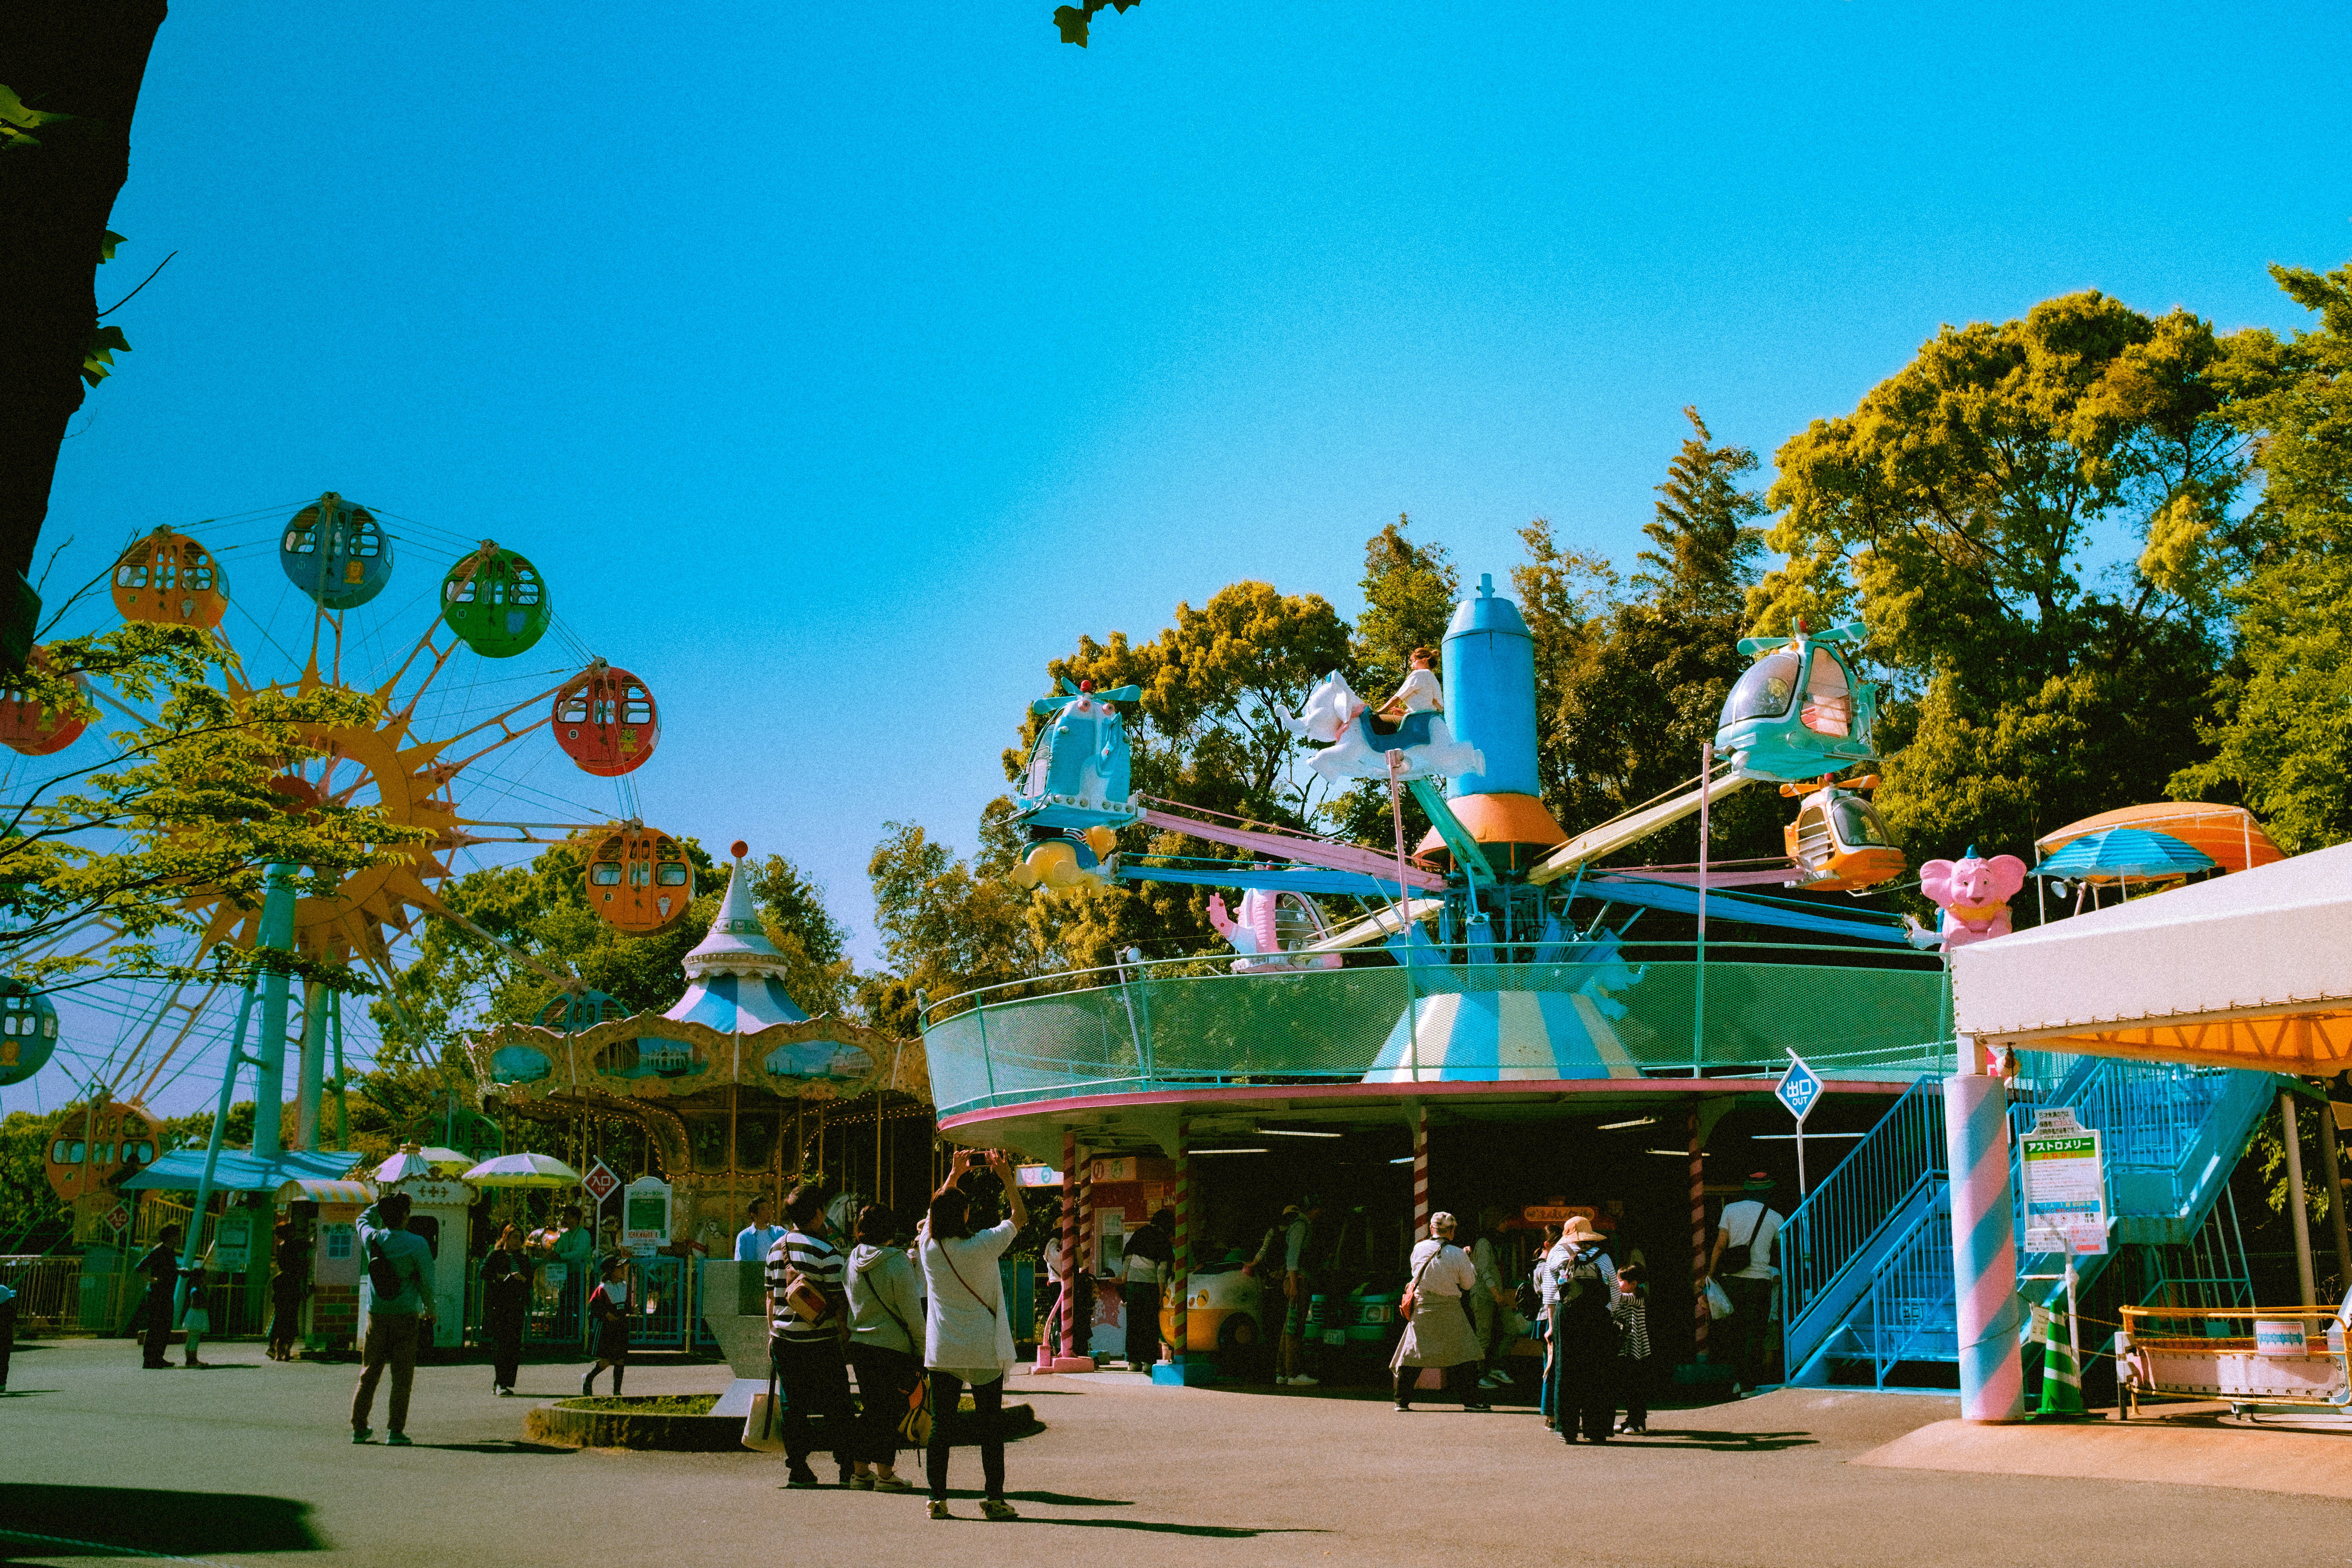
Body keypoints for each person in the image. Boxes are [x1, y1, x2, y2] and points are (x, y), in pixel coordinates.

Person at [918, 1149, 1026, 1521]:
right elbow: (1019, 1218)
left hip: (943, 1348)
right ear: (965, 1215)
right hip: (982, 1348)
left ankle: (937, 1498)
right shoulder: (983, 1245)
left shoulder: (929, 1248)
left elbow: (929, 1220)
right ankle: (994, 1498)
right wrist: (1007, 1178)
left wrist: (952, 1176)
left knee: (941, 1426)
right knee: (990, 1427)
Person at [766, 1182, 855, 1488]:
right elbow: (840, 1304)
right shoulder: (828, 1253)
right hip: (821, 1342)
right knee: (838, 1404)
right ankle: (846, 1465)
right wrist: (845, 1341)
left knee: (793, 1404)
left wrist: (772, 1332)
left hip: (784, 1339)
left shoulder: (775, 1249)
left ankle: (799, 1467)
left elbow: (770, 1296)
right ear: (819, 1213)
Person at [844, 1203, 922, 1493]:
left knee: (873, 1408)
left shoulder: (851, 1259)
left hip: (860, 1345)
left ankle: (860, 1472)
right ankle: (886, 1475)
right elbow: (911, 1311)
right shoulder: (897, 1261)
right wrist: (923, 1348)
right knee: (889, 1411)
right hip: (893, 1347)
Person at [352, 1192, 435, 1445]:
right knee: (402, 1375)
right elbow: (427, 1281)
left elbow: (362, 1219)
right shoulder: (417, 1243)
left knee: (369, 1373)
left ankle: (359, 1428)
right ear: (406, 1216)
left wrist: (381, 1204)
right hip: (406, 1315)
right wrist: (430, 1308)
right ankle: (395, 1431)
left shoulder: (373, 1238)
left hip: (376, 1315)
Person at [1390, 1211, 1488, 1413]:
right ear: (1451, 1231)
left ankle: (1401, 1401)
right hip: (1449, 1308)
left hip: (1423, 1307)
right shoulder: (1458, 1253)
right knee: (1465, 1354)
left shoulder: (1419, 1248)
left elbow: (1416, 1273)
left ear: (1431, 1229)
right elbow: (1468, 1285)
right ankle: (1471, 1401)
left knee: (1413, 1353)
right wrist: (1467, 1261)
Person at [1708, 1172, 1785, 1394]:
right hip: (1760, 1281)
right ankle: (1747, 1384)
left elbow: (1720, 1246)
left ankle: (1740, 1380)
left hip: (1731, 1280)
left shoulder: (1730, 1210)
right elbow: (1779, 1251)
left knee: (1736, 1333)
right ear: (1767, 1192)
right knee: (1756, 1333)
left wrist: (1711, 1275)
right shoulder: (1776, 1217)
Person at [1545, 1214, 1619, 1444]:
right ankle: (1596, 1430)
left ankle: (1567, 1430)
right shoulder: (1604, 1258)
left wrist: (1551, 1325)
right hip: (1597, 1319)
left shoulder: (1556, 1255)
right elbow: (1615, 1292)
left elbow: (1549, 1294)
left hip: (1566, 1319)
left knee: (1566, 1372)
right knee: (1598, 1372)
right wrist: (1606, 1311)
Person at [481, 1225, 534, 1395]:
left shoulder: (523, 1259)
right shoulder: (496, 1255)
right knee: (501, 1343)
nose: (517, 1241)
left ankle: (506, 1381)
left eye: (520, 1238)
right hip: (500, 1303)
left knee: (514, 1344)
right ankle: (500, 1382)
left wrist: (522, 1278)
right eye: (514, 1237)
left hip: (517, 1304)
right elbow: (484, 1273)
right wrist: (504, 1276)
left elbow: (530, 1280)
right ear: (505, 1238)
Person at [1120, 1207, 1174, 1371]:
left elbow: (1127, 1258)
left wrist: (1125, 1281)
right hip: (1150, 1286)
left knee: (1134, 1323)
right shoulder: (1163, 1239)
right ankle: (1148, 1363)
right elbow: (1161, 1270)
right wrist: (1160, 1294)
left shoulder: (1139, 1233)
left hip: (1133, 1285)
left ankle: (1133, 1362)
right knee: (1150, 1325)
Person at [1278, 1196, 1323, 1387]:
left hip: (1296, 1281)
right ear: (1314, 1209)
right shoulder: (1301, 1226)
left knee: (1289, 1327)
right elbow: (1293, 1257)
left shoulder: (1298, 1225)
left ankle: (1282, 1373)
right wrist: (1295, 1285)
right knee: (1295, 1329)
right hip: (1299, 1282)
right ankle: (1294, 1374)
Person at [1471, 1207, 1517, 1390]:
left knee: (1511, 1330)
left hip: (1497, 1294)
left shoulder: (1497, 1242)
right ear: (1494, 1223)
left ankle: (1496, 1367)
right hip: (1484, 1295)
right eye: (1503, 1221)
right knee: (1484, 1337)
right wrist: (1497, 1294)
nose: (1506, 1225)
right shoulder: (1483, 1243)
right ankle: (1479, 1375)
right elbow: (1483, 1271)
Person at [134, 1226, 183, 1369]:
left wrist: (178, 1272)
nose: (179, 1238)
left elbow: (166, 1270)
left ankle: (159, 1357)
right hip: (157, 1294)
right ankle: (150, 1359)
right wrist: (151, 1280)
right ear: (170, 1237)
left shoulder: (170, 1251)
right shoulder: (158, 1251)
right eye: (177, 1235)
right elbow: (140, 1267)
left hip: (167, 1293)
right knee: (156, 1326)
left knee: (165, 1326)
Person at [583, 1253, 633, 1396]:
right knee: (606, 1361)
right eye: (619, 1268)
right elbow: (594, 1308)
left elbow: (626, 1305)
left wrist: (631, 1309)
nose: (623, 1270)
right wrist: (606, 1315)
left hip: (621, 1326)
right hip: (608, 1328)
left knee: (621, 1360)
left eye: (623, 1267)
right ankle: (589, 1378)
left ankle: (617, 1392)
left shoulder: (625, 1286)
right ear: (611, 1271)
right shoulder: (603, 1288)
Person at [1613, 1261, 1653, 1436]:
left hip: (1635, 1350)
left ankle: (1639, 1424)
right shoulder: (1631, 1296)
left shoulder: (1636, 1298)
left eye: (1620, 1281)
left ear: (1633, 1284)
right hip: (1629, 1349)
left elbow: (1619, 1299)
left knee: (1635, 1388)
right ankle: (1632, 1420)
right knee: (1629, 1388)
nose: (1617, 1284)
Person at [267, 1218, 311, 1361]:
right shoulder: (293, 1245)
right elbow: (309, 1244)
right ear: (290, 1233)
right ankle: (286, 1351)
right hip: (291, 1284)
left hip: (281, 1284)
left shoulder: (281, 1246)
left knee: (280, 1318)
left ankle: (274, 1348)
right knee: (291, 1320)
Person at [1378, 647, 1443, 720]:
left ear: (1424, 661)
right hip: (1430, 720)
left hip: (1418, 720)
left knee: (1377, 720)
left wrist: (1378, 712)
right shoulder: (1433, 678)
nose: (1412, 666)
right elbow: (1431, 707)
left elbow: (1397, 698)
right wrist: (1405, 713)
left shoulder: (1420, 674)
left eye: (1414, 661)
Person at [735, 1195, 783, 1263]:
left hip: (774, 1273)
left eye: (769, 1209)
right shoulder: (744, 1237)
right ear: (754, 1215)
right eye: (764, 1209)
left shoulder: (779, 1232)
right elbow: (740, 1264)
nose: (768, 1212)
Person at [0, 1272, 15, 1393]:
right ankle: (2, 1383)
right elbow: (14, 1323)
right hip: (6, 1339)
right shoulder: (9, 1310)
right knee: (4, 1361)